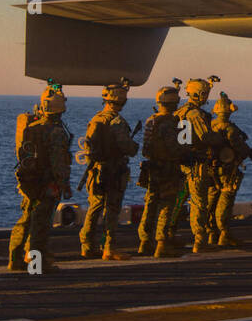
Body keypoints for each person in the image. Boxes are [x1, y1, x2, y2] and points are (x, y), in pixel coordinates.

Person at [9, 87, 72, 273]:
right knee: (40, 225)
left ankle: (14, 259)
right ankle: (36, 265)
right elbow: (58, 162)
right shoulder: (57, 132)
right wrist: (64, 183)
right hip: (46, 184)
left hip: (29, 182)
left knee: (26, 219)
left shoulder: (32, 127)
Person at [79, 83, 139, 261]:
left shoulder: (96, 119)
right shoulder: (117, 122)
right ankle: (109, 247)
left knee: (94, 208)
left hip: (96, 172)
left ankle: (87, 246)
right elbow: (129, 148)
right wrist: (133, 146)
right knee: (112, 210)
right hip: (113, 172)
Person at [174, 79, 224, 253]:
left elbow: (182, 140)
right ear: (200, 94)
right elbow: (206, 137)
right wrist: (220, 138)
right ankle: (199, 240)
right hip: (196, 164)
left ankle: (168, 236)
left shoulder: (180, 111)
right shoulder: (196, 114)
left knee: (178, 201)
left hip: (182, 163)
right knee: (198, 202)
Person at [138, 86, 188, 258]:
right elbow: (177, 149)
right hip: (168, 167)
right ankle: (161, 243)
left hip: (152, 167)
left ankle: (145, 241)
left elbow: (145, 148)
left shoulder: (151, 120)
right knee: (167, 204)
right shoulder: (170, 123)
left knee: (150, 204)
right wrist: (185, 134)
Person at [207, 92, 250, 248]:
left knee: (210, 202)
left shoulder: (210, 126)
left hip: (212, 172)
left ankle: (211, 233)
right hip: (227, 172)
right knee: (225, 203)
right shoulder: (231, 130)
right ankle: (224, 234)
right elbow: (243, 150)